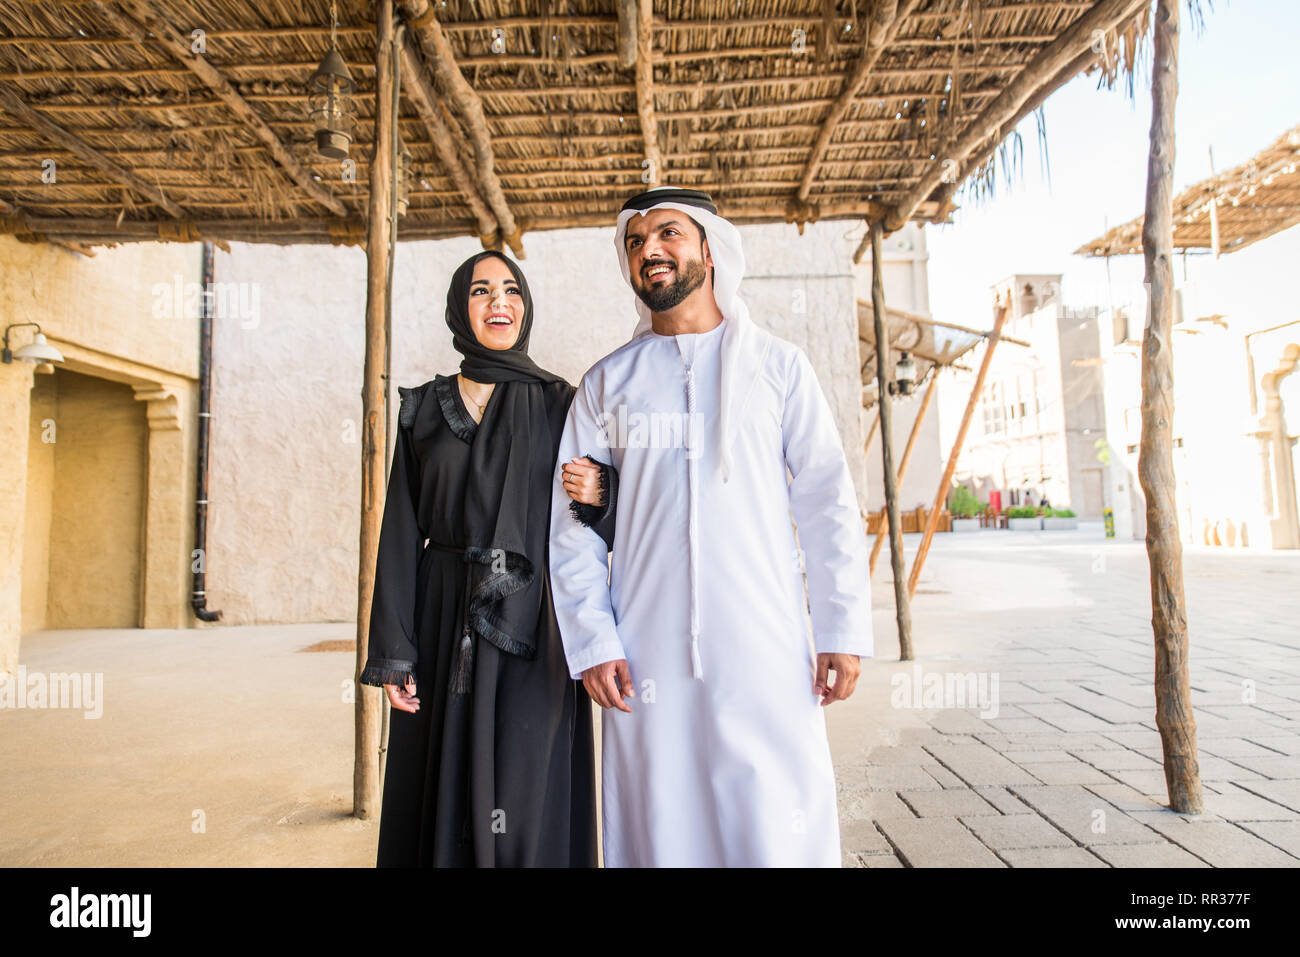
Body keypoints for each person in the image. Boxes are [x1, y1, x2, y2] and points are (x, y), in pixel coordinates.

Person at [547, 186, 873, 867]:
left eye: (668, 234)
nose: (650, 251)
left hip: (765, 642)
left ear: (710, 249)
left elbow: (827, 501)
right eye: (636, 242)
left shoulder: (779, 368)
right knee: (662, 824)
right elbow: (571, 524)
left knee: (775, 821)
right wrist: (593, 639)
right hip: (644, 648)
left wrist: (840, 627)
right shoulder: (607, 383)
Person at [359, 250, 617, 867]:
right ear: (460, 308)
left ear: (525, 307)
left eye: (510, 291)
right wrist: (394, 654)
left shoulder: (562, 403)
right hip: (442, 611)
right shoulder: (423, 408)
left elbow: (605, 518)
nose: (498, 303)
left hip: (534, 622)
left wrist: (603, 494)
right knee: (443, 783)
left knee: (526, 785)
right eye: (480, 291)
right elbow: (399, 531)